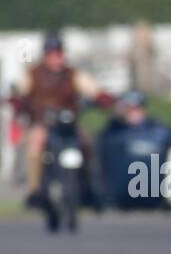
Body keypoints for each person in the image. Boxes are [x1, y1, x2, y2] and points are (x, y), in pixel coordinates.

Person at [14, 32, 108, 207]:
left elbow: (92, 88)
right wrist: (17, 101)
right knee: (35, 144)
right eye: (52, 53)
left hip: (69, 123)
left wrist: (103, 98)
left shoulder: (72, 74)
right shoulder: (34, 74)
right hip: (43, 123)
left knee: (87, 143)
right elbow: (21, 91)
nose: (56, 57)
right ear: (46, 55)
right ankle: (34, 190)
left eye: (59, 52)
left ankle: (88, 186)